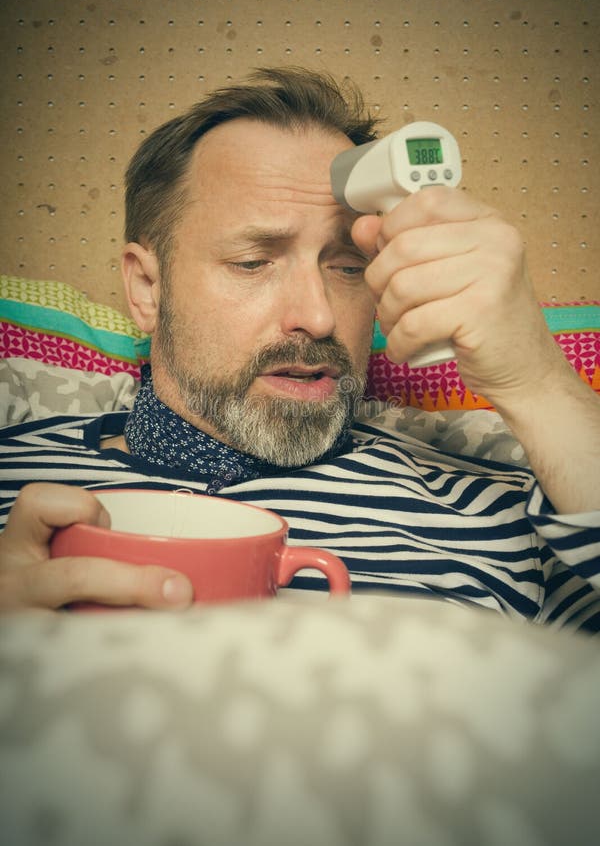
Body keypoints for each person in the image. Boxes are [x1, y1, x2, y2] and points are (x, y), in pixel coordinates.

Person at [1, 67, 599, 627]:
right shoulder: (18, 485)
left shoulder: (500, 514)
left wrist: (538, 383)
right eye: (254, 262)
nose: (317, 317)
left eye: (348, 266)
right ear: (147, 289)